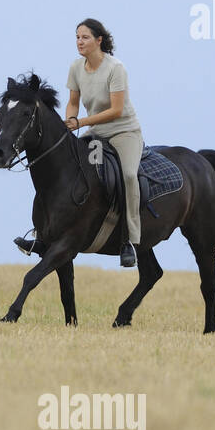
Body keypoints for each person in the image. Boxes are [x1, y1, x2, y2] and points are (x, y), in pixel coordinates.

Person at [65, 18, 144, 268]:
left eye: (85, 37)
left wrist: (82, 122)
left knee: (129, 175)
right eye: (77, 37)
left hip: (123, 131)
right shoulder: (76, 68)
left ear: (99, 40)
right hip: (95, 132)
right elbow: (73, 102)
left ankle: (130, 239)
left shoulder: (115, 68)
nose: (79, 41)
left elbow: (117, 110)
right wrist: (70, 121)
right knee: (69, 167)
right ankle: (50, 230)